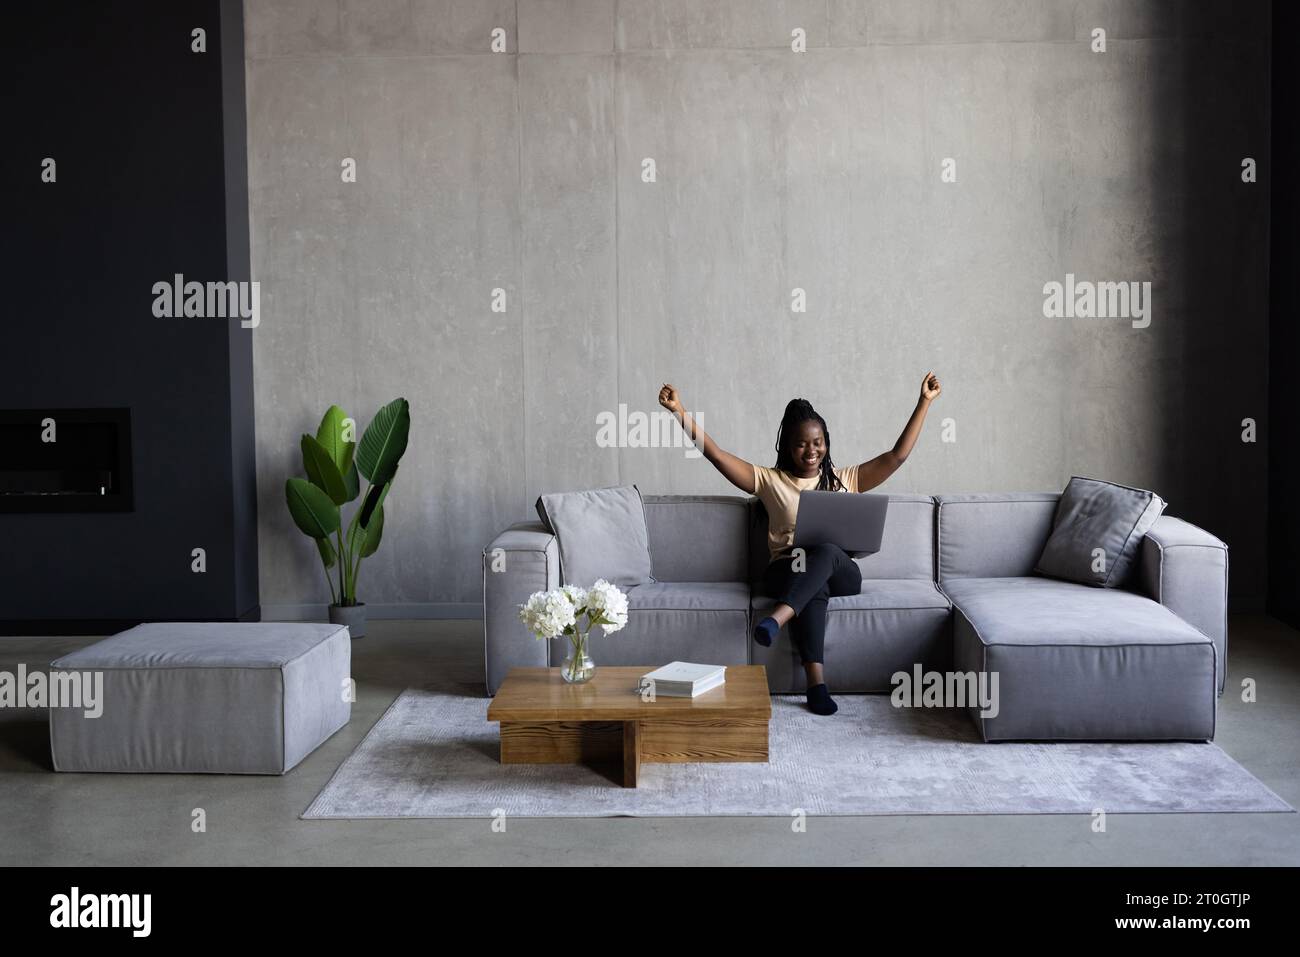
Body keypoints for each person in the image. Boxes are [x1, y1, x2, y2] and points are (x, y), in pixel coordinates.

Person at [657, 373, 942, 714]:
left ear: (827, 442)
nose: (811, 451)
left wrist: (924, 402)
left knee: (824, 552)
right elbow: (717, 456)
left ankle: (777, 619)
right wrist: (679, 411)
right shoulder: (769, 480)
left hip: (841, 573)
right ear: (788, 448)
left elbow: (897, 456)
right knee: (812, 580)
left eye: (818, 442)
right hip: (787, 571)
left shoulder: (846, 479)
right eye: (802, 444)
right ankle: (816, 686)